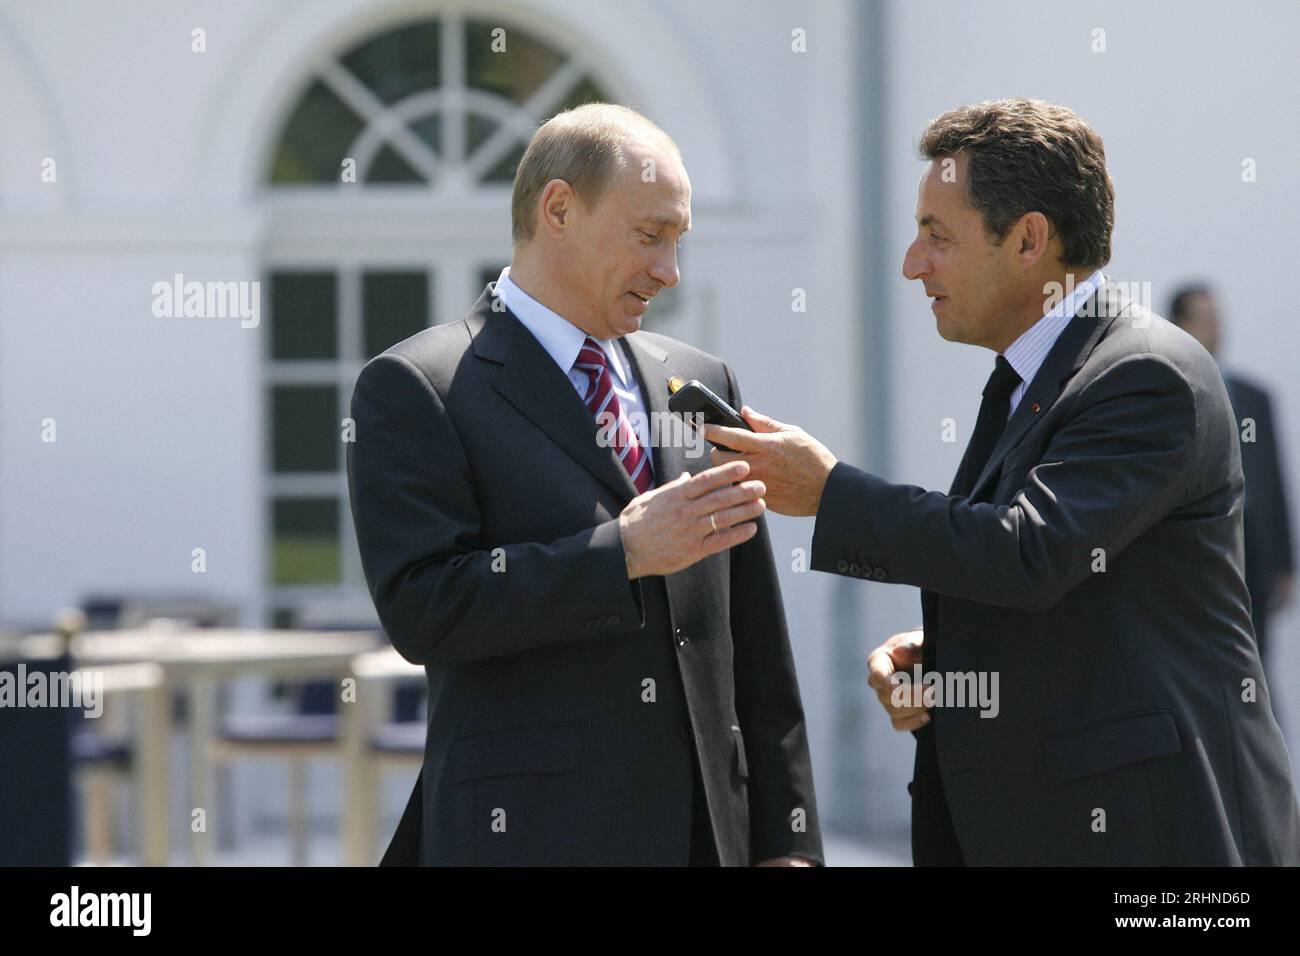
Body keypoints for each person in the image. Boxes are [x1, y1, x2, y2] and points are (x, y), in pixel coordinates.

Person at [702, 99, 1300, 865]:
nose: (913, 264)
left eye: (936, 235)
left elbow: (1028, 554)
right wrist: (950, 656)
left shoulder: (1145, 373)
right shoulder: (1039, 371)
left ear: (1028, 240)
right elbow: (1069, 585)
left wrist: (828, 493)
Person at [347, 103, 822, 866]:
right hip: (528, 834)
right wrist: (621, 554)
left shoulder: (700, 382)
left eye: (678, 241)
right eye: (650, 235)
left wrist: (788, 840)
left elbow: (754, 641)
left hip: (710, 838)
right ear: (559, 208)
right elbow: (424, 611)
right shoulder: (418, 386)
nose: (669, 271)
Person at [1168, 284, 1294, 661]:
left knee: (1255, 663)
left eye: (1217, 319)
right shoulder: (1165, 395)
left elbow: (1274, 483)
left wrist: (1285, 562)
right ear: (1179, 325)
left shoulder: (1254, 397)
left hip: (1253, 549)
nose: (1215, 328)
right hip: (1198, 552)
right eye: (1204, 319)